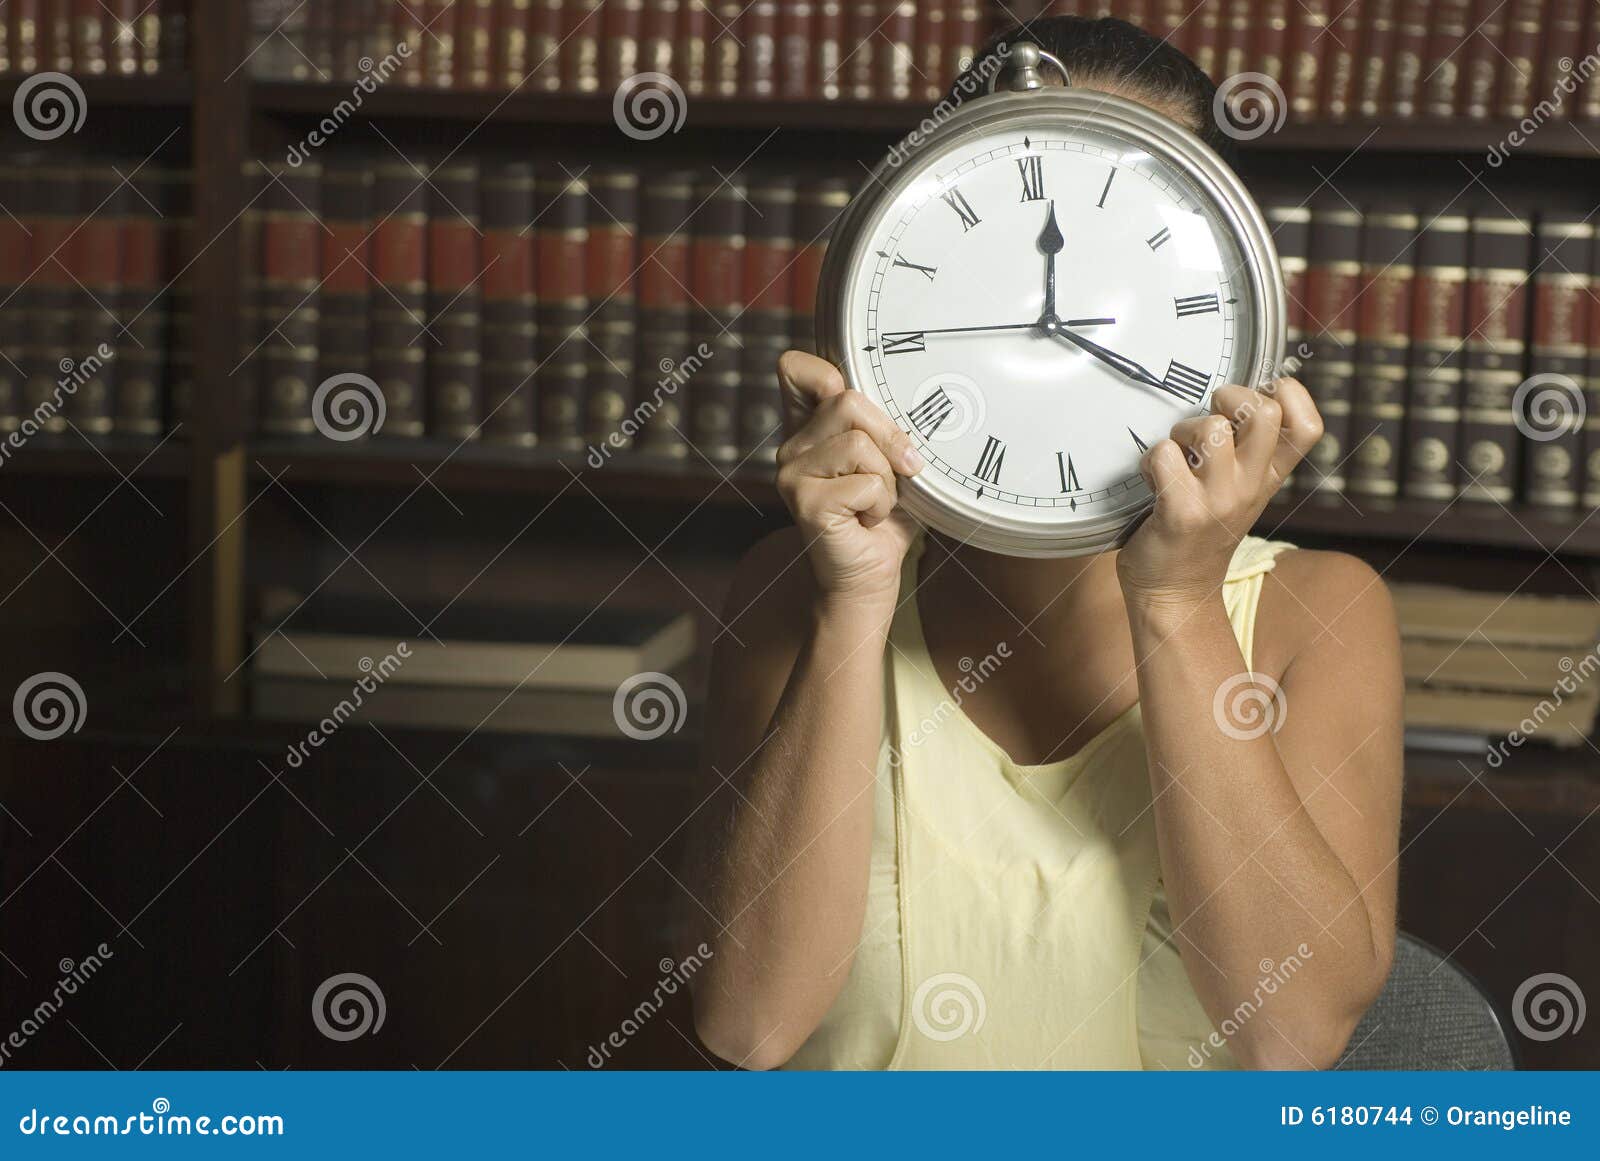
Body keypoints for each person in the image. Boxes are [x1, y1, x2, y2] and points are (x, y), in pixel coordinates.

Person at [683, 15, 1403, 1070]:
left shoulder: (1320, 613)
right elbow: (747, 1026)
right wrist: (856, 596)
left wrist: (1179, 602)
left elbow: (1293, 1034)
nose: (1053, 332)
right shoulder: (793, 593)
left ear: (1230, 314)